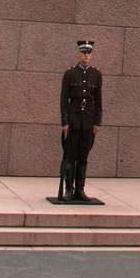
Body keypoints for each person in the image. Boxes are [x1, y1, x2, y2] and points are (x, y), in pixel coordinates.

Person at [50, 40, 104, 206]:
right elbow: (63, 100)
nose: (85, 56)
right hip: (73, 121)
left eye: (88, 53)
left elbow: (99, 101)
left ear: (91, 55)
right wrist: (65, 122)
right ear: (79, 54)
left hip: (88, 122)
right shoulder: (70, 74)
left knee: (83, 156)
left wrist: (97, 123)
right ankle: (68, 189)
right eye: (83, 53)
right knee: (70, 156)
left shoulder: (96, 74)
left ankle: (79, 189)